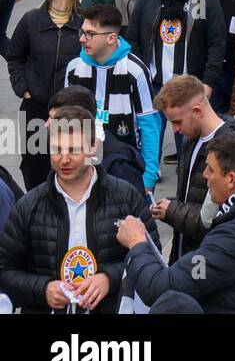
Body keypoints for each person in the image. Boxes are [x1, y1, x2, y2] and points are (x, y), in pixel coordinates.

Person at [115, 130, 235, 313]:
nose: (205, 175)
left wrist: (137, 243)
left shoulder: (232, 240)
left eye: (211, 169)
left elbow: (161, 287)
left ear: (231, 179)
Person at [0, 106, 157, 314]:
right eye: (57, 149)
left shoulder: (126, 197)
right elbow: (6, 271)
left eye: (74, 149)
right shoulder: (28, 206)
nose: (64, 159)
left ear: (93, 147)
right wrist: (42, 289)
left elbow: (151, 259)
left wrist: (109, 278)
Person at [62, 4, 162, 195]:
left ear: (111, 38)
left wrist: (148, 177)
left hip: (126, 168)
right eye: (82, 32)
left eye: (90, 34)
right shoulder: (74, 68)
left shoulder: (135, 70)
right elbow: (66, 122)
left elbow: (150, 125)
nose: (83, 39)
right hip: (84, 168)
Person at [6, 0, 86, 191]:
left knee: (74, 169)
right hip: (35, 109)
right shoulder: (31, 20)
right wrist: (24, 89)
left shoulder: (84, 24)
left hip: (75, 112)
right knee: (34, 169)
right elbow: (15, 57)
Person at [148, 74, 235, 261]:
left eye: (176, 121)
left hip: (207, 261)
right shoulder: (190, 139)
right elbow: (192, 196)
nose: (174, 130)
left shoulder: (230, 147)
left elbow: (213, 219)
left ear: (197, 111)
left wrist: (171, 210)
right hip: (185, 255)